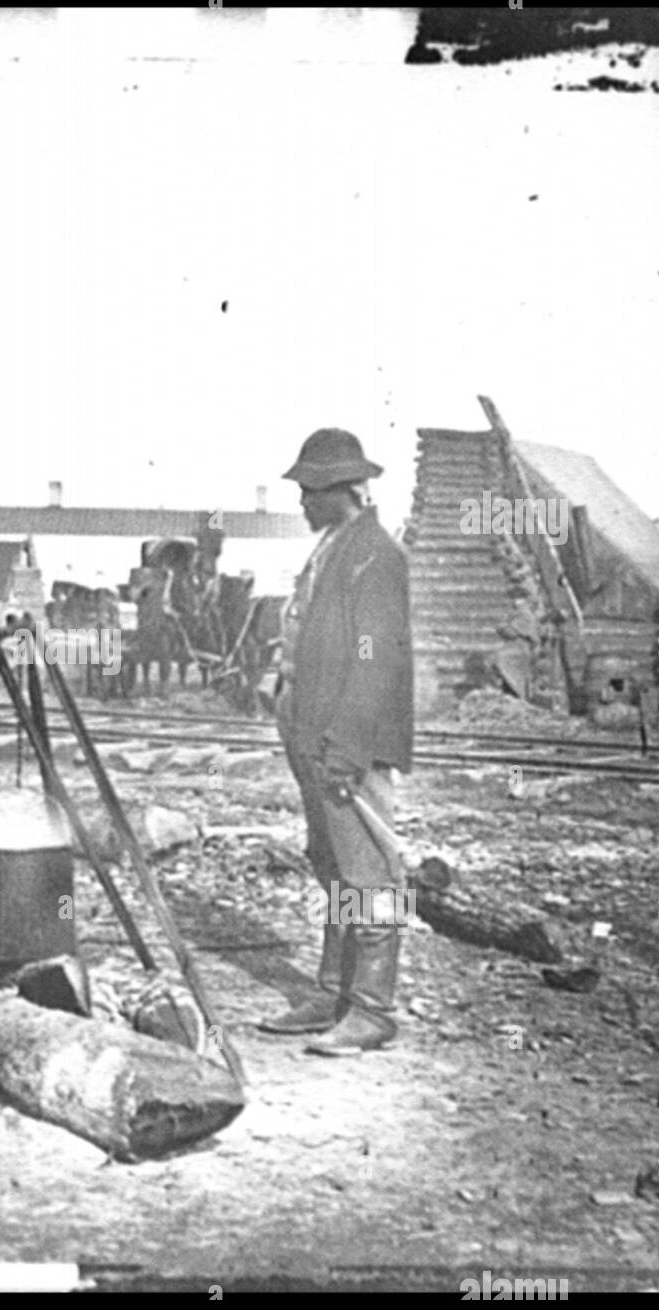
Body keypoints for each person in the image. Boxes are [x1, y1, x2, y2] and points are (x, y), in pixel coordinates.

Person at [259, 428, 414, 1055]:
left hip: (345, 743)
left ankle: (372, 1009)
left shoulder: (376, 557)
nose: (300, 502)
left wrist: (347, 751)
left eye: (308, 491)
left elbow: (373, 663)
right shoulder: (336, 548)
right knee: (333, 868)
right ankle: (334, 990)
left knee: (368, 874)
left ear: (341, 491)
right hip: (313, 732)